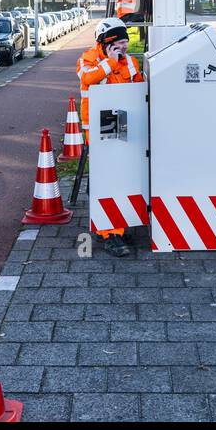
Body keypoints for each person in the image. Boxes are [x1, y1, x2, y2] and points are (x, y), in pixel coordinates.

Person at [76, 17, 144, 256]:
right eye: (120, 43)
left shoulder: (131, 63)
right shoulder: (89, 60)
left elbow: (139, 88)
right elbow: (88, 79)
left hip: (124, 124)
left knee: (123, 177)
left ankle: (120, 226)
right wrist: (110, 63)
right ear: (106, 43)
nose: (124, 47)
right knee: (107, 180)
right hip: (99, 126)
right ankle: (109, 234)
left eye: (126, 42)